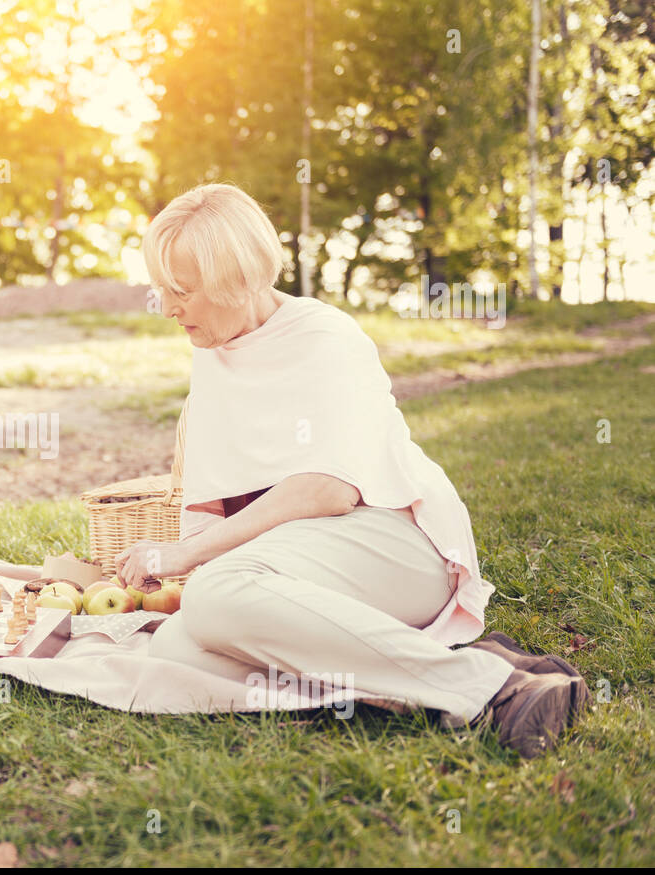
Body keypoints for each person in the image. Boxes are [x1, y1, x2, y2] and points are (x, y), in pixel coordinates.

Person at [117, 183, 589, 759]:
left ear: (236, 282)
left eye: (182, 291)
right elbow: (216, 494)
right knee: (176, 652)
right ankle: (463, 668)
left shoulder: (325, 337)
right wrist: (180, 572)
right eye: (161, 289)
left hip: (396, 543)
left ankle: (496, 691)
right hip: (298, 560)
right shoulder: (212, 349)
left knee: (218, 595)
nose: (167, 308)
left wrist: (189, 560)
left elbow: (328, 488)